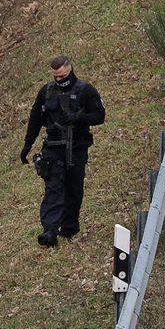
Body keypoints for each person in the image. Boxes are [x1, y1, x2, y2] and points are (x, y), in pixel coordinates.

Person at [20, 55, 106, 246]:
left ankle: (68, 228)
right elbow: (35, 118)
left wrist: (77, 119)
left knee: (74, 188)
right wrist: (27, 145)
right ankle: (50, 230)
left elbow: (100, 116)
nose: (59, 80)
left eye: (62, 76)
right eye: (55, 77)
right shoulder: (47, 91)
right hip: (52, 147)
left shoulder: (85, 90)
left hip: (77, 147)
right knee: (54, 187)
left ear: (70, 70)